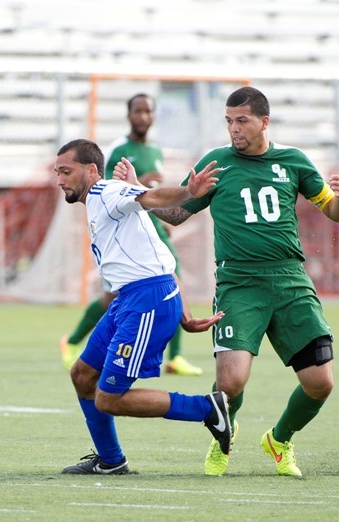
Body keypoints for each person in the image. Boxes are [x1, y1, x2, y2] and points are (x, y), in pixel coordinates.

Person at [148, 87, 339, 477]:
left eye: (241, 121)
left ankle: (280, 439)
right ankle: (224, 435)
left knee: (320, 383)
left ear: (263, 122)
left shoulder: (294, 161)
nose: (233, 129)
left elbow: (334, 212)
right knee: (231, 382)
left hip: (291, 281)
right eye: (228, 121)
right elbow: (175, 216)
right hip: (239, 283)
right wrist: (145, 197)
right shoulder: (216, 163)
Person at [53, 138, 229, 475]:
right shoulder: (99, 200)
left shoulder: (106, 191)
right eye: (57, 172)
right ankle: (111, 460)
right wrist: (185, 312)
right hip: (131, 299)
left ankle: (206, 408)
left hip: (146, 302)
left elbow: (152, 197)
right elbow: (161, 259)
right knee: (82, 375)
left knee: (109, 398)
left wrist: (188, 192)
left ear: (91, 170)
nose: (60, 179)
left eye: (66, 171)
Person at [59, 93, 203, 377]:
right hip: (122, 231)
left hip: (148, 228)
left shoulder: (156, 151)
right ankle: (73, 340)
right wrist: (145, 186)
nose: (143, 117)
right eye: (138, 111)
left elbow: (146, 196)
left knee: (171, 276)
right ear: (129, 115)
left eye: (148, 112)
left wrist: (159, 225)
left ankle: (175, 356)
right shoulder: (118, 149)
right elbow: (111, 191)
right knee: (113, 294)